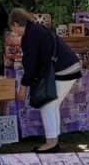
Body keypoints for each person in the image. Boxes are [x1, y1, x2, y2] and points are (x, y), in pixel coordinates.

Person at [10, 8, 81, 152]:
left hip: (64, 68)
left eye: (12, 27)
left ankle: (51, 143)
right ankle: (53, 141)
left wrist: (23, 86)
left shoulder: (30, 36)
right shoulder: (36, 29)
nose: (13, 31)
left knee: (47, 105)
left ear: (16, 24)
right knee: (52, 105)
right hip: (69, 65)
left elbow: (30, 65)